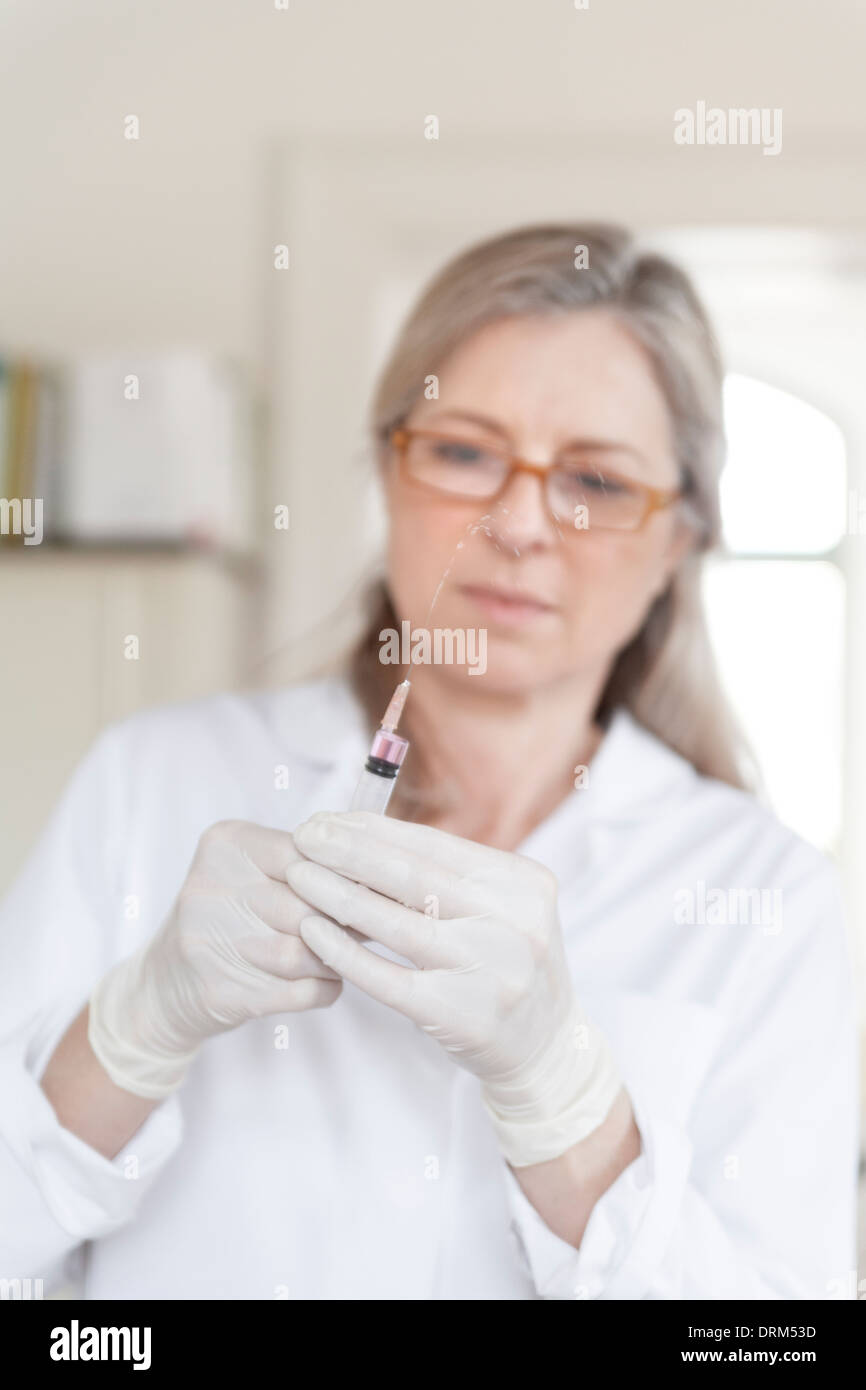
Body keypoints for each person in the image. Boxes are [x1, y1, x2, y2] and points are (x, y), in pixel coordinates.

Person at [0, 224, 859, 1300]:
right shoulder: (153, 781)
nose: (515, 523)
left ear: (679, 537)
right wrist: (132, 1027)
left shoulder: (758, 893)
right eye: (462, 451)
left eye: (593, 478)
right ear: (388, 466)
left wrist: (565, 1100)